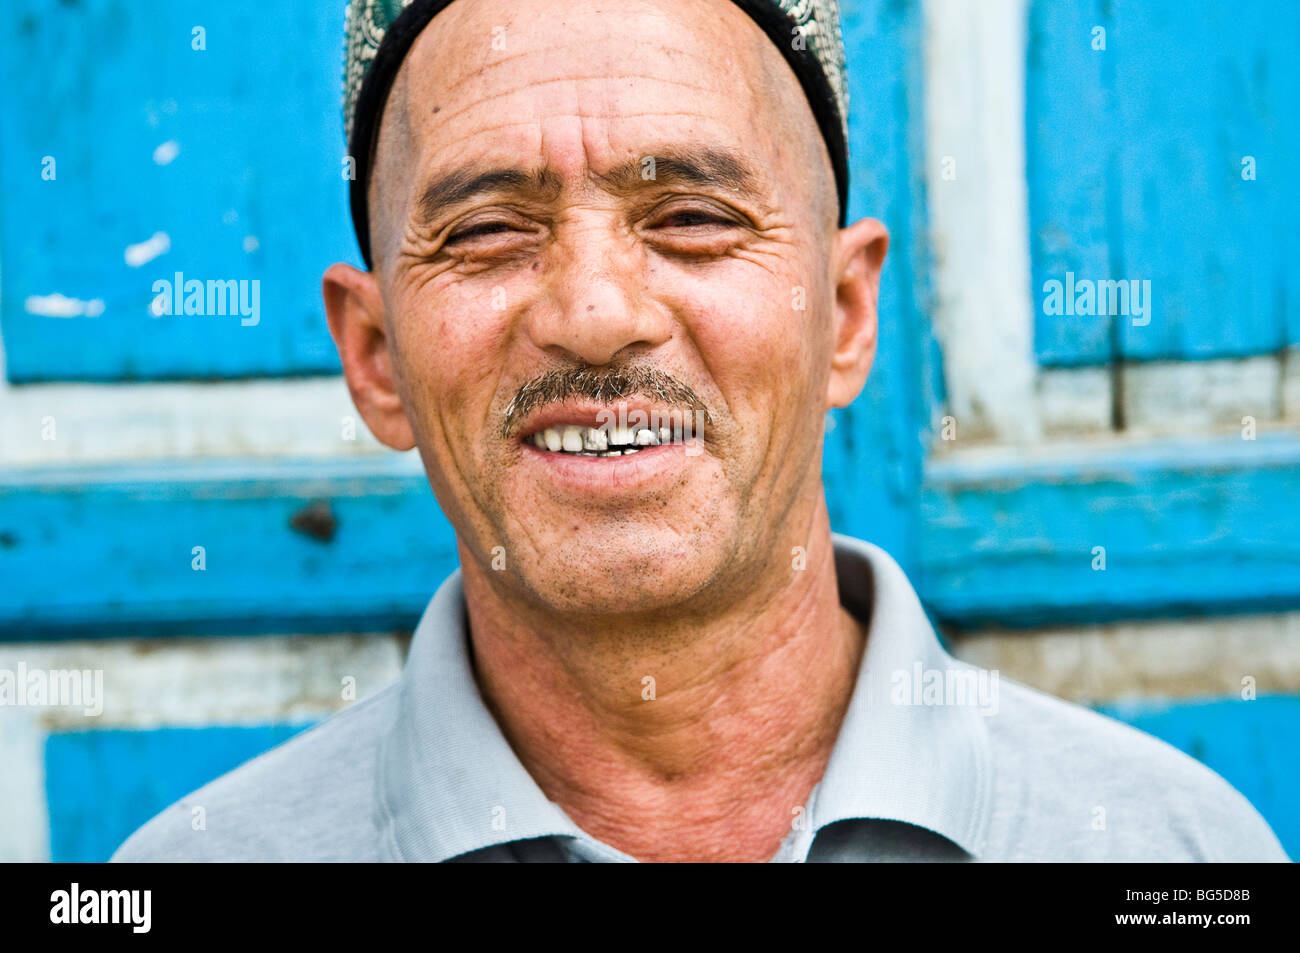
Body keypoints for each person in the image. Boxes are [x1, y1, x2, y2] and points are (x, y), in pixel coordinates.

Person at [113, 0, 1287, 862]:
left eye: (688, 216)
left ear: (842, 315)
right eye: (484, 231)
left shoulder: (1170, 853)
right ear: (374, 357)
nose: (593, 314)